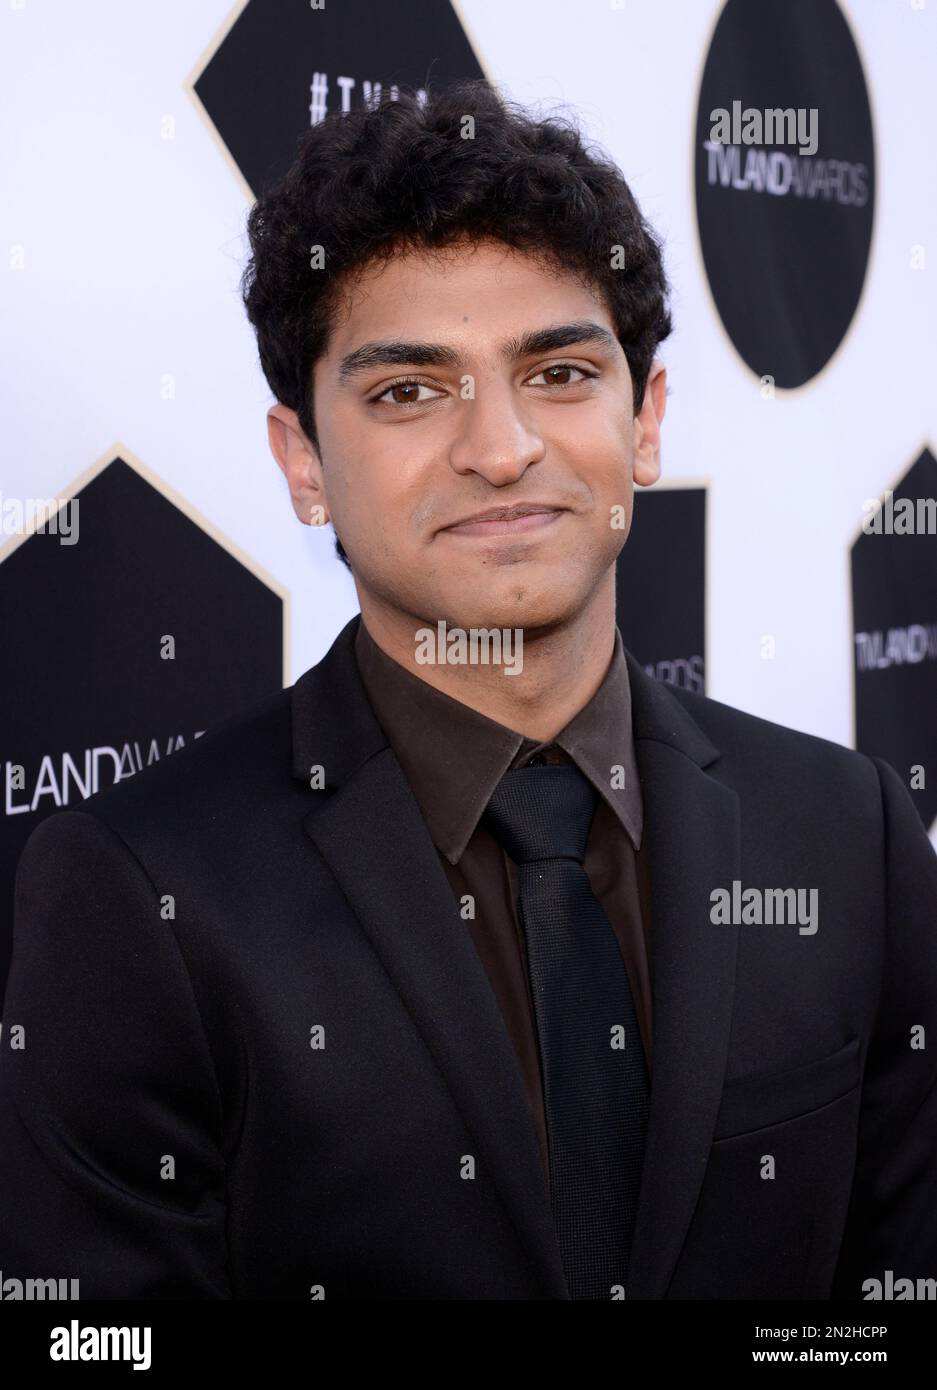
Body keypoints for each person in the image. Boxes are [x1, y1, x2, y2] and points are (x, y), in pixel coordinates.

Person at [1, 79, 935, 1301]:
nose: (500, 447)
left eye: (557, 373)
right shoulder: (142, 892)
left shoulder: (846, 830)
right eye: (407, 390)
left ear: (644, 424)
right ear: (304, 462)